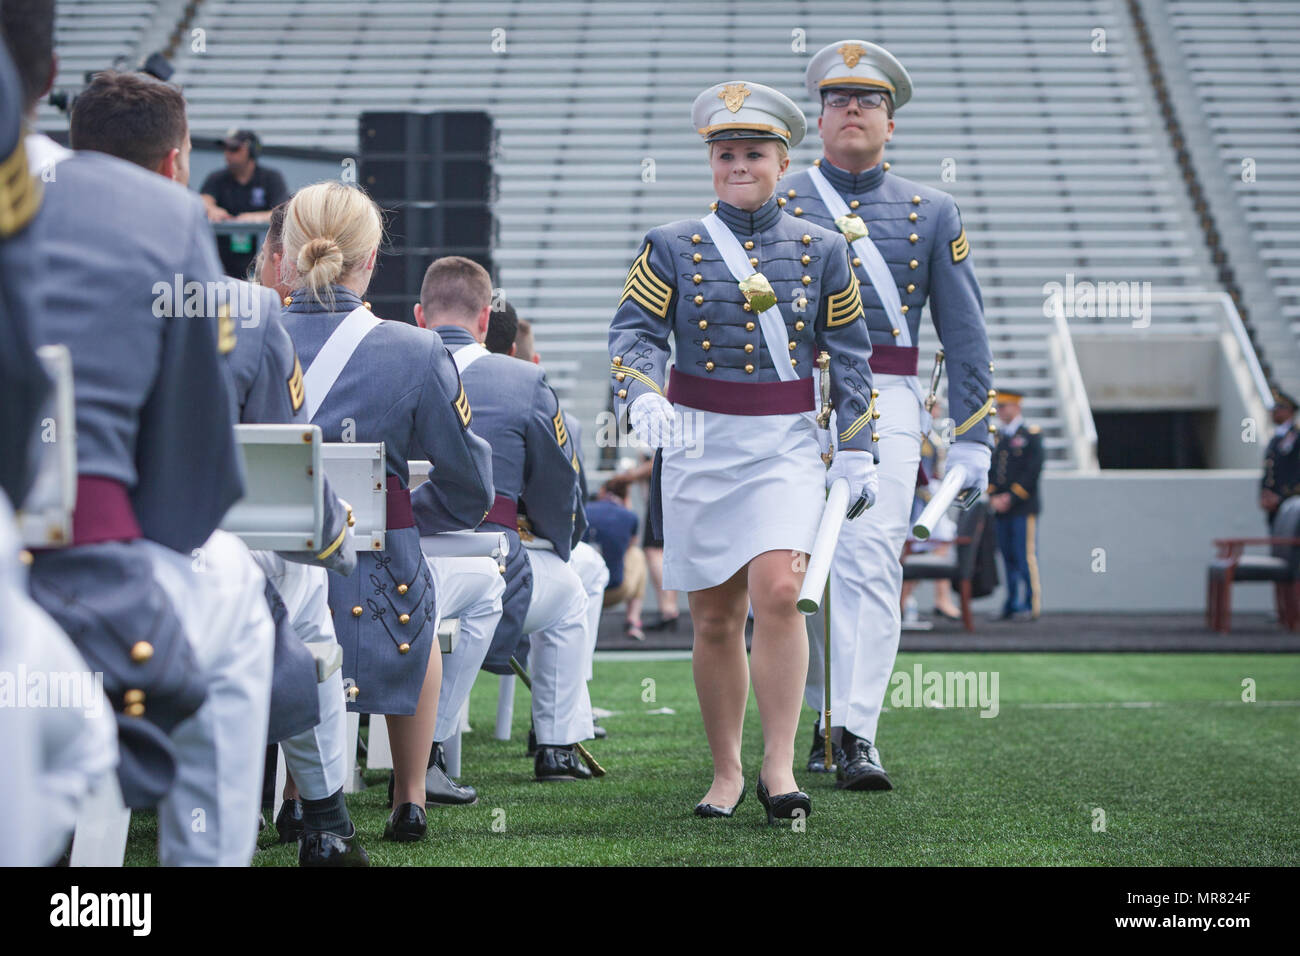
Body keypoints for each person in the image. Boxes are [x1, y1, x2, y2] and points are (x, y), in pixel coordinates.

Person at [56, 66, 365, 864]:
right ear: (174, 167)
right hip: (131, 551)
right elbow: (248, 465)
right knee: (287, 588)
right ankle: (323, 817)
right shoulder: (226, 287)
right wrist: (331, 540)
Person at [609, 81, 879, 823]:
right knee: (716, 616)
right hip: (697, 440)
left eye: (753, 152)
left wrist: (857, 450)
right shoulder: (669, 244)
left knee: (783, 592)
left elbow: (852, 358)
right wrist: (641, 395)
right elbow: (631, 335)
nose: (738, 163)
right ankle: (725, 770)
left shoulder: (824, 250)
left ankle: (780, 762)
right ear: (711, 161)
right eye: (725, 152)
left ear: (782, 161)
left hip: (785, 445)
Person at [785, 40, 995, 788]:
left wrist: (974, 440)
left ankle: (856, 732)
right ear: (818, 116)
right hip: (794, 403)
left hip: (889, 397)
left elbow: (965, 332)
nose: (852, 110)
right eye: (839, 99)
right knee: (801, 567)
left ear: (890, 121)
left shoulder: (931, 210)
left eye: (868, 100)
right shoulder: (776, 200)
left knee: (872, 559)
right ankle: (814, 711)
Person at [277, 182, 495, 841]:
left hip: (267, 568)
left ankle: (296, 794)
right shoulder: (416, 348)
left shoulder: (240, 334)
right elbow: (468, 485)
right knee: (419, 603)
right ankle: (409, 795)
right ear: (372, 259)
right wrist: (407, 509)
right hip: (381, 574)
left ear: (287, 254)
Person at [413, 257, 595, 782]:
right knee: (570, 593)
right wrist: (560, 539)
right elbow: (559, 487)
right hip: (483, 561)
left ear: (421, 315)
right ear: (486, 321)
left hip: (384, 556)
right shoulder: (525, 379)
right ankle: (556, 747)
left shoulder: (391, 359)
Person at [200, 127, 289, 277]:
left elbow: (282, 210)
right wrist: (212, 209)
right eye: (226, 148)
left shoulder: (271, 178)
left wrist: (253, 219)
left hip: (261, 262)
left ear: (252, 151)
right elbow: (203, 200)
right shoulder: (216, 178)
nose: (228, 154)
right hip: (222, 263)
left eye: (234, 149)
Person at [989, 389, 1043, 620]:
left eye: (1005, 406)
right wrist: (993, 496)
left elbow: (1032, 472)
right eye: (999, 407)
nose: (1001, 411)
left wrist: (1010, 497)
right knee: (1007, 556)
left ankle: (1031, 604)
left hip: (1022, 507)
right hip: (1001, 509)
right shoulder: (999, 436)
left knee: (1025, 556)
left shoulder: (1031, 435)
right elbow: (992, 470)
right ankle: (1012, 603)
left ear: (1017, 407)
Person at [584, 479, 647, 639]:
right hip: (614, 591)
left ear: (602, 492)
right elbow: (629, 546)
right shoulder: (629, 516)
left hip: (580, 590)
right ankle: (633, 621)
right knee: (637, 554)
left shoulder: (583, 510)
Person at [1261, 386, 1300, 531]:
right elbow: (1269, 469)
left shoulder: (1296, 437)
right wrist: (1265, 493)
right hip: (1275, 505)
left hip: (1291, 502)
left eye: (1278, 408)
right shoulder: (1276, 438)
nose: (1273, 412)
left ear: (1288, 411)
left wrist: (1281, 496)